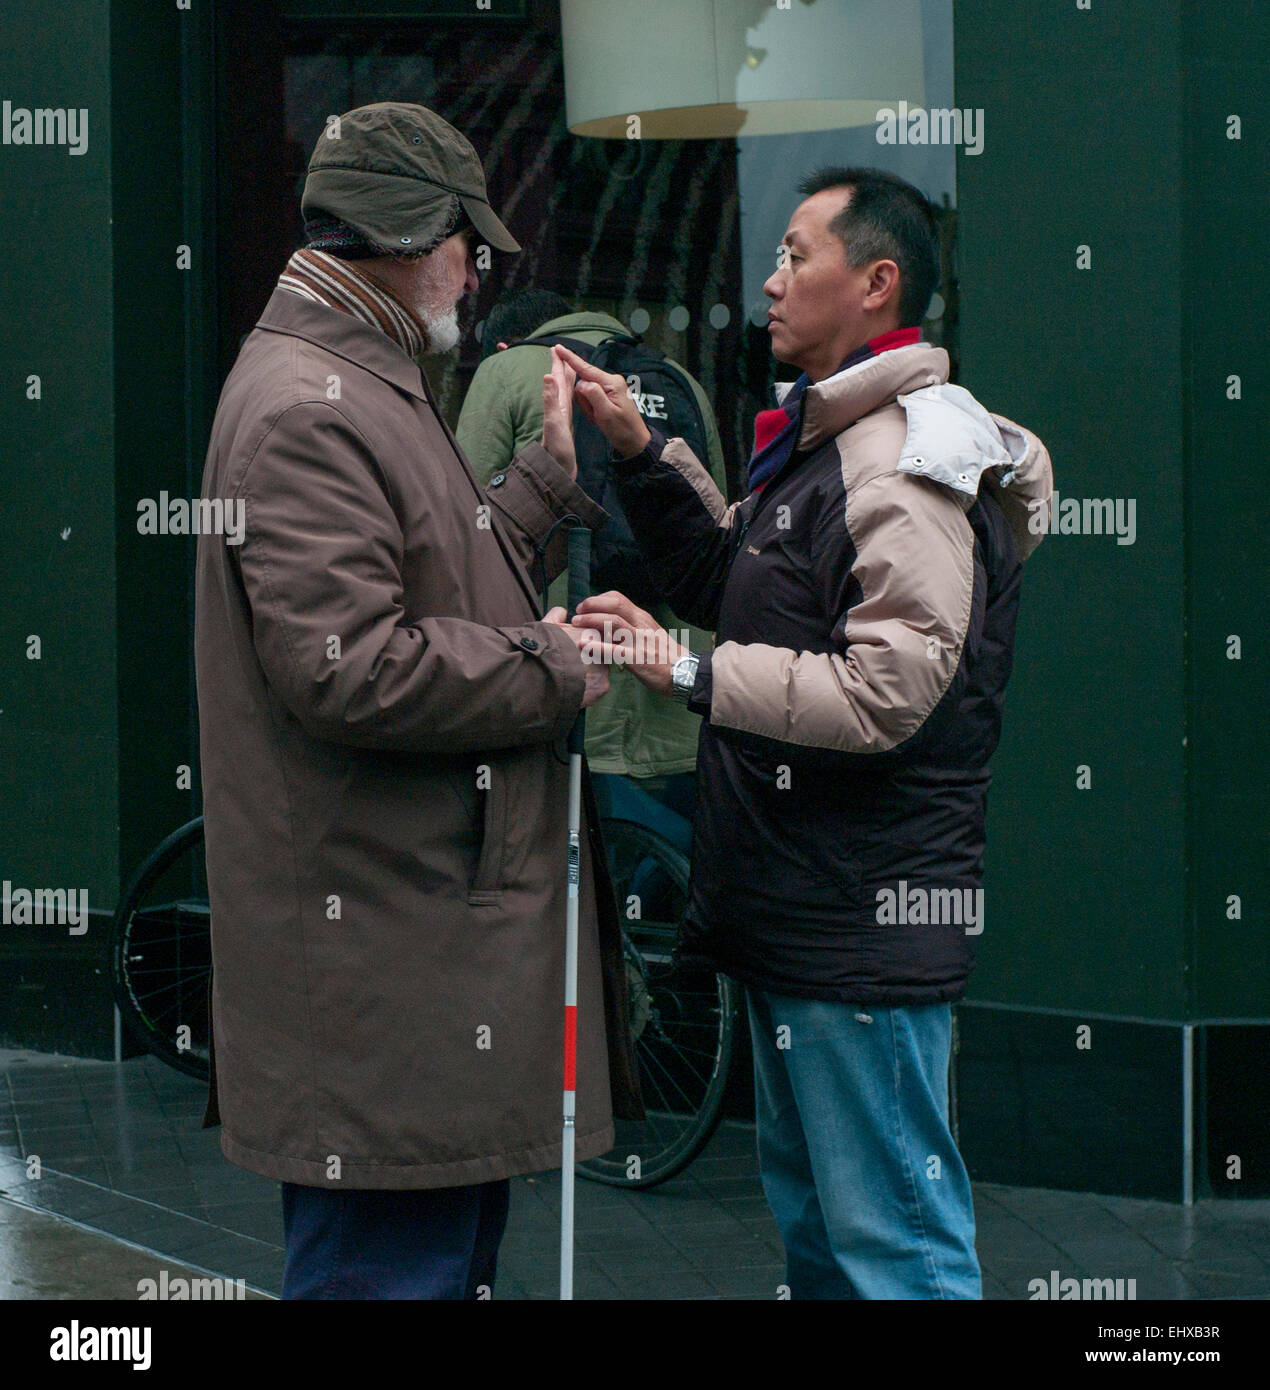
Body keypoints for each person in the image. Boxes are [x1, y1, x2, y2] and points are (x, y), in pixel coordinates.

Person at [556, 167, 1054, 1299]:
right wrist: (641, 451)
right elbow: (733, 579)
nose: (767, 283)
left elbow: (889, 692)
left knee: (896, 1253)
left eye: (794, 256)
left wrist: (684, 666)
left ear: (876, 283)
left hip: (856, 928)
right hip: (806, 916)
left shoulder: (902, 463)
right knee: (832, 1245)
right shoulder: (830, 444)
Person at [193, 101, 640, 1300]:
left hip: (407, 961)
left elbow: (419, 577)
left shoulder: (355, 375)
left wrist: (537, 493)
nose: (476, 272)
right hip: (386, 970)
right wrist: (555, 666)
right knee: (392, 1276)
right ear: (410, 234)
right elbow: (346, 664)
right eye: (469, 243)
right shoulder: (311, 403)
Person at [457, 291, 729, 826]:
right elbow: (715, 548)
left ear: (510, 342)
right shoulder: (681, 381)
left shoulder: (505, 372)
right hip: (679, 713)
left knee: (574, 899)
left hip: (563, 713)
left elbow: (466, 543)